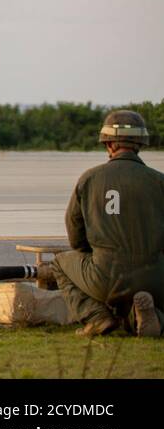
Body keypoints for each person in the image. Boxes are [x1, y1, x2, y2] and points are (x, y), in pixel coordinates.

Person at [43, 110, 164, 337]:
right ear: (140, 144)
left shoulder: (89, 179)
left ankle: (96, 317)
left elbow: (75, 236)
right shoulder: (159, 181)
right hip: (156, 278)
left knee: (60, 263)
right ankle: (153, 317)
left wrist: (95, 257)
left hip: (105, 277)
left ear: (108, 144)